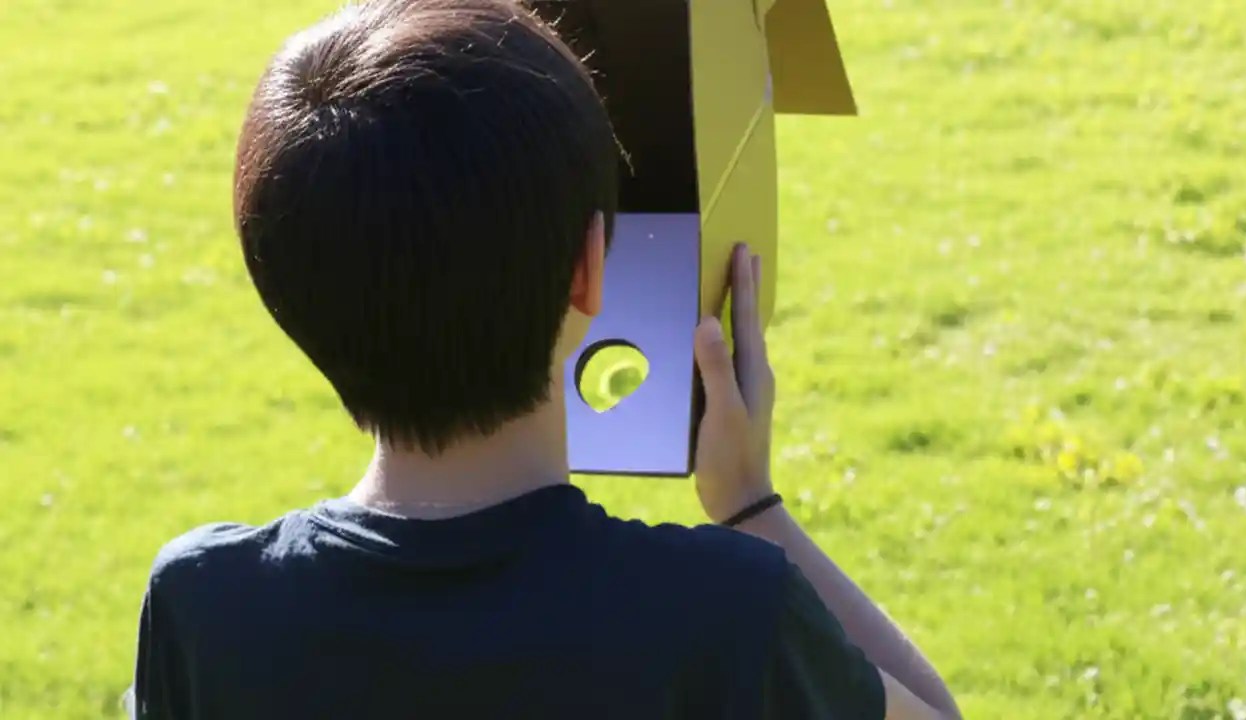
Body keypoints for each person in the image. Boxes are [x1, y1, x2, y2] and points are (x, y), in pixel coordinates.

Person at [127, 0, 962, 717]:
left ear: (283, 293)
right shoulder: (725, 616)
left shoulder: (205, 607)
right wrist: (751, 504)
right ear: (591, 269)